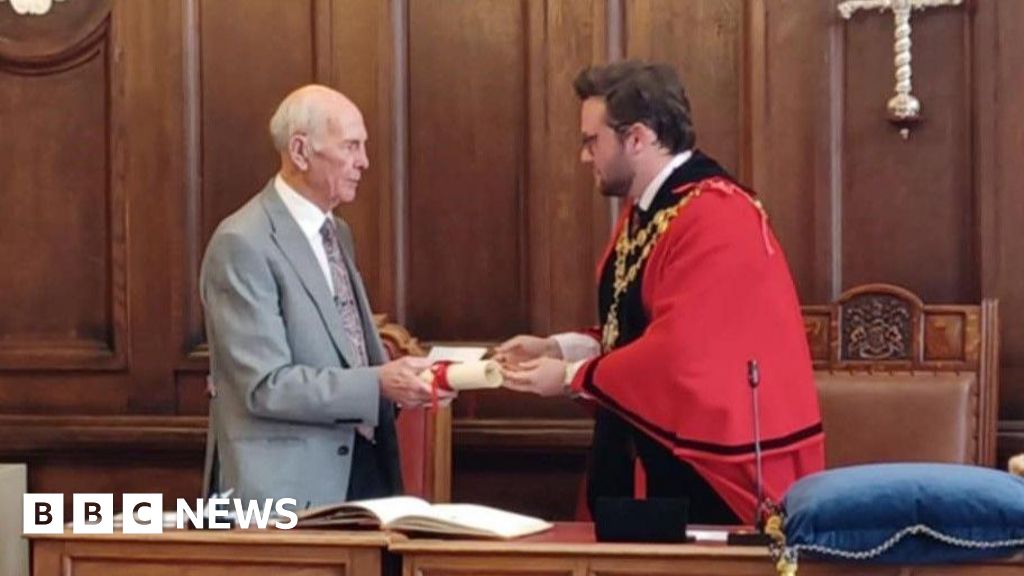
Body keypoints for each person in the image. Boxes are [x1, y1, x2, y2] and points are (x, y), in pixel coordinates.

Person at [497, 61, 824, 525]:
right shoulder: (648, 210)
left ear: (637, 138)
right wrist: (558, 348)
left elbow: (678, 355)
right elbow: (633, 331)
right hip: (642, 457)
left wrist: (571, 376)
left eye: (592, 141)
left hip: (703, 481)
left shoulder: (718, 215)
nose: (585, 157)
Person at [200, 85, 447, 508]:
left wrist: (416, 384)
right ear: (300, 151)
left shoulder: (337, 232)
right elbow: (265, 386)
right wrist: (378, 384)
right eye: (351, 146)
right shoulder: (242, 243)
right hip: (290, 492)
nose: (364, 161)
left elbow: (348, 354)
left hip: (365, 469)